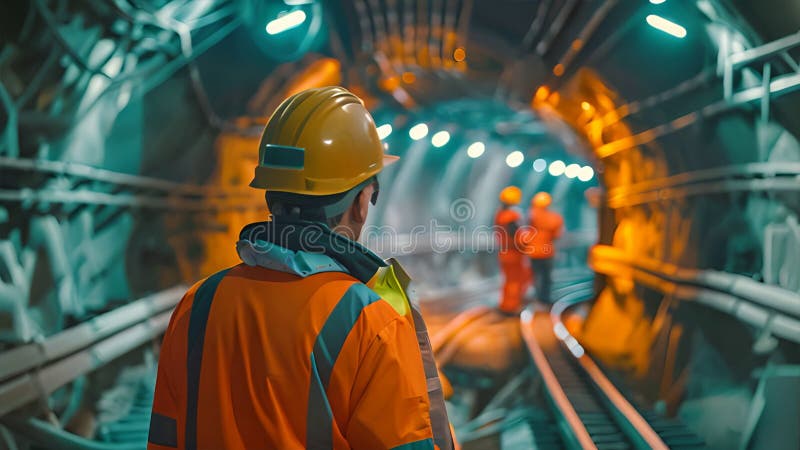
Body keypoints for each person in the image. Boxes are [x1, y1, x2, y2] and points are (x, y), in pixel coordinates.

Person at [148, 87, 454, 450]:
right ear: (360, 203)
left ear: (270, 195)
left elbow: (165, 438)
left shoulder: (197, 304)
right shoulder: (371, 321)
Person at [493, 186, 530, 314]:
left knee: (508, 280)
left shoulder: (499, 214)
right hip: (514, 253)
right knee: (515, 280)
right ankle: (511, 306)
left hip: (504, 252)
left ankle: (505, 304)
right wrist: (527, 243)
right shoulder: (511, 217)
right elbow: (517, 236)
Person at [523, 192, 564, 304]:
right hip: (547, 252)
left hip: (533, 251)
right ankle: (544, 299)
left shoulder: (531, 214)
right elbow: (557, 235)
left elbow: (524, 231)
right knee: (546, 277)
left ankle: (535, 296)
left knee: (534, 276)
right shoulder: (555, 218)